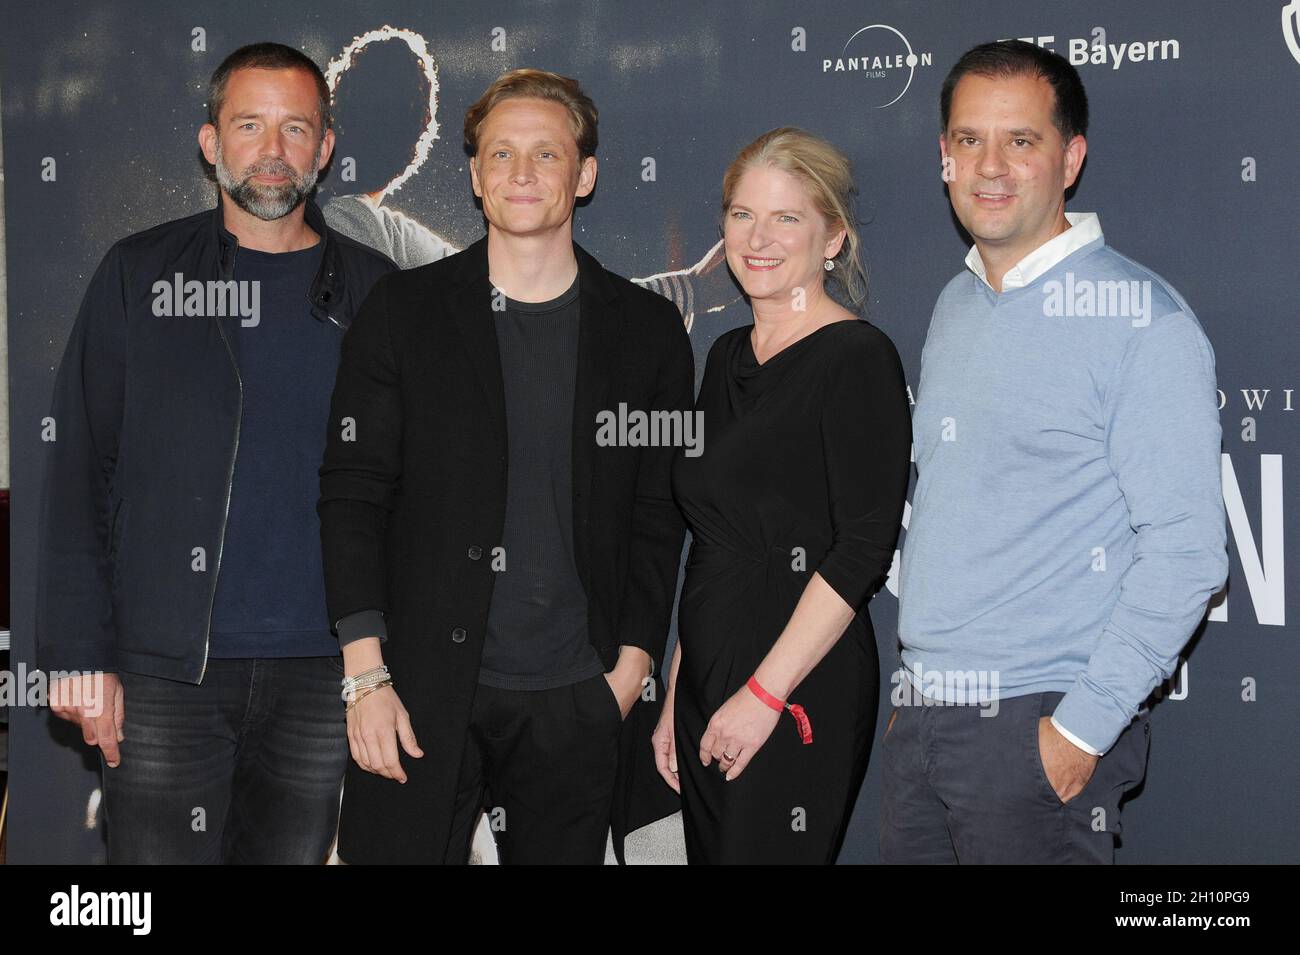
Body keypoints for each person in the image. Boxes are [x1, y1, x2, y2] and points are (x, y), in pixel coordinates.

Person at [319, 68, 694, 864]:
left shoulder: (648, 332)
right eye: (501, 154)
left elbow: (658, 514)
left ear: (584, 174)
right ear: (475, 175)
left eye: (546, 155)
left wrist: (630, 666)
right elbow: (353, 496)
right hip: (418, 689)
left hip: (577, 694)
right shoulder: (402, 313)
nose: (522, 174)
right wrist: (366, 677)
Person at [35, 42, 396, 863]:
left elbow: (407, 488)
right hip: (166, 672)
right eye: (249, 125)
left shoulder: (378, 291)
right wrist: (79, 656)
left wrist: (384, 662)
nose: (273, 151)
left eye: (296, 128)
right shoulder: (139, 276)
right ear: (210, 143)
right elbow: (77, 474)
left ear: (326, 147)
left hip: (323, 670)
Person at [882, 40, 1228, 864]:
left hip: (1035, 731)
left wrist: (1077, 730)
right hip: (925, 726)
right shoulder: (955, 304)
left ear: (1070, 158)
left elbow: (1185, 554)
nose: (990, 165)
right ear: (943, 157)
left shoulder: (1143, 320)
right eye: (969, 140)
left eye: (1021, 140)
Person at [654, 127, 911, 863]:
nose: (758, 238)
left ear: (832, 238)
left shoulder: (858, 359)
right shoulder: (726, 356)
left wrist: (764, 694)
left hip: (798, 687)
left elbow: (862, 548)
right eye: (742, 215)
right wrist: (678, 689)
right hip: (708, 679)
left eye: (786, 218)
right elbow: (714, 540)